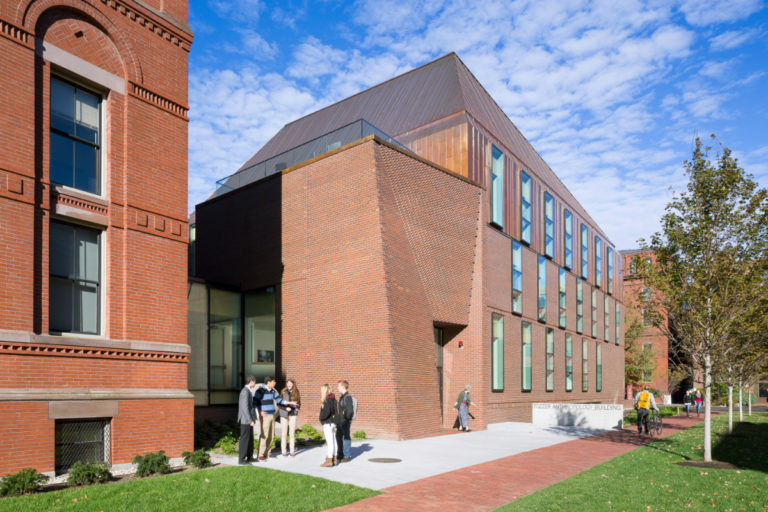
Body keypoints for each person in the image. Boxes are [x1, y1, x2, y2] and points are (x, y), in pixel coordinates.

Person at [254, 376, 294, 461]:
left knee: (271, 435)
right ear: (268, 382)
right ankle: (260, 454)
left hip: (272, 415)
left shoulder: (273, 391)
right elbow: (254, 402)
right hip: (265, 416)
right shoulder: (260, 390)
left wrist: (288, 402)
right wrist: (260, 411)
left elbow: (279, 400)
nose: (275, 383)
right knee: (264, 434)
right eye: (273, 382)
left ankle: (267, 452)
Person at [237, 376, 258, 465]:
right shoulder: (245, 391)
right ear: (251, 381)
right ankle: (241, 459)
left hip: (249, 419)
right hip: (245, 420)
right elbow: (244, 408)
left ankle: (250, 457)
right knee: (245, 439)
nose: (255, 384)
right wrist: (250, 420)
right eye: (255, 382)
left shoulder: (248, 391)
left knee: (250, 439)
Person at [279, 379, 301, 457]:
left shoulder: (296, 392)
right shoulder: (283, 392)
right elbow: (279, 403)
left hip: (293, 414)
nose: (289, 385)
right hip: (284, 415)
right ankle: (284, 451)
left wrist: (297, 408)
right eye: (288, 384)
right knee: (284, 433)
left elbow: (299, 403)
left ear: (293, 385)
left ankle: (292, 451)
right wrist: (286, 408)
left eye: (291, 384)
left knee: (292, 433)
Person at [319, 384, 338, 467]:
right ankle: (335, 458)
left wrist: (321, 418)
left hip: (327, 423)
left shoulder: (327, 400)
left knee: (330, 442)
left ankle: (330, 460)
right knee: (334, 441)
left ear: (325, 390)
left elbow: (326, 413)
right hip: (333, 423)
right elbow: (336, 411)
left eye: (322, 390)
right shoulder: (333, 399)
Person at [335, 380, 354, 463]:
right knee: (338, 436)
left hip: (345, 421)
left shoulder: (348, 397)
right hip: (340, 421)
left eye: (338, 386)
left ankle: (346, 456)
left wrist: (345, 420)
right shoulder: (342, 397)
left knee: (346, 437)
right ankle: (340, 454)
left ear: (343, 386)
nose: (337, 388)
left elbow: (350, 411)